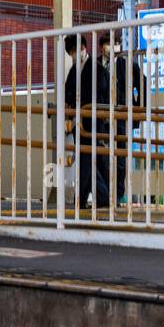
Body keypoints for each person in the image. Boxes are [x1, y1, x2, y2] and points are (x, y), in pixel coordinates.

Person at [63, 33, 111, 208]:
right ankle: (88, 198)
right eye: (72, 52)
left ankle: (91, 198)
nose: (76, 53)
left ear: (84, 47)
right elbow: (67, 92)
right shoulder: (74, 70)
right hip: (80, 122)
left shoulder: (97, 69)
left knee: (87, 161)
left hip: (93, 123)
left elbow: (100, 96)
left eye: (77, 49)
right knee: (87, 160)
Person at [99, 31, 145, 205]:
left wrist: (138, 109)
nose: (112, 47)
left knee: (120, 156)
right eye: (108, 43)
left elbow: (143, 84)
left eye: (115, 43)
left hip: (122, 116)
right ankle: (104, 193)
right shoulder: (96, 64)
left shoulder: (128, 66)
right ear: (102, 46)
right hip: (101, 116)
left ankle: (118, 193)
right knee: (102, 156)